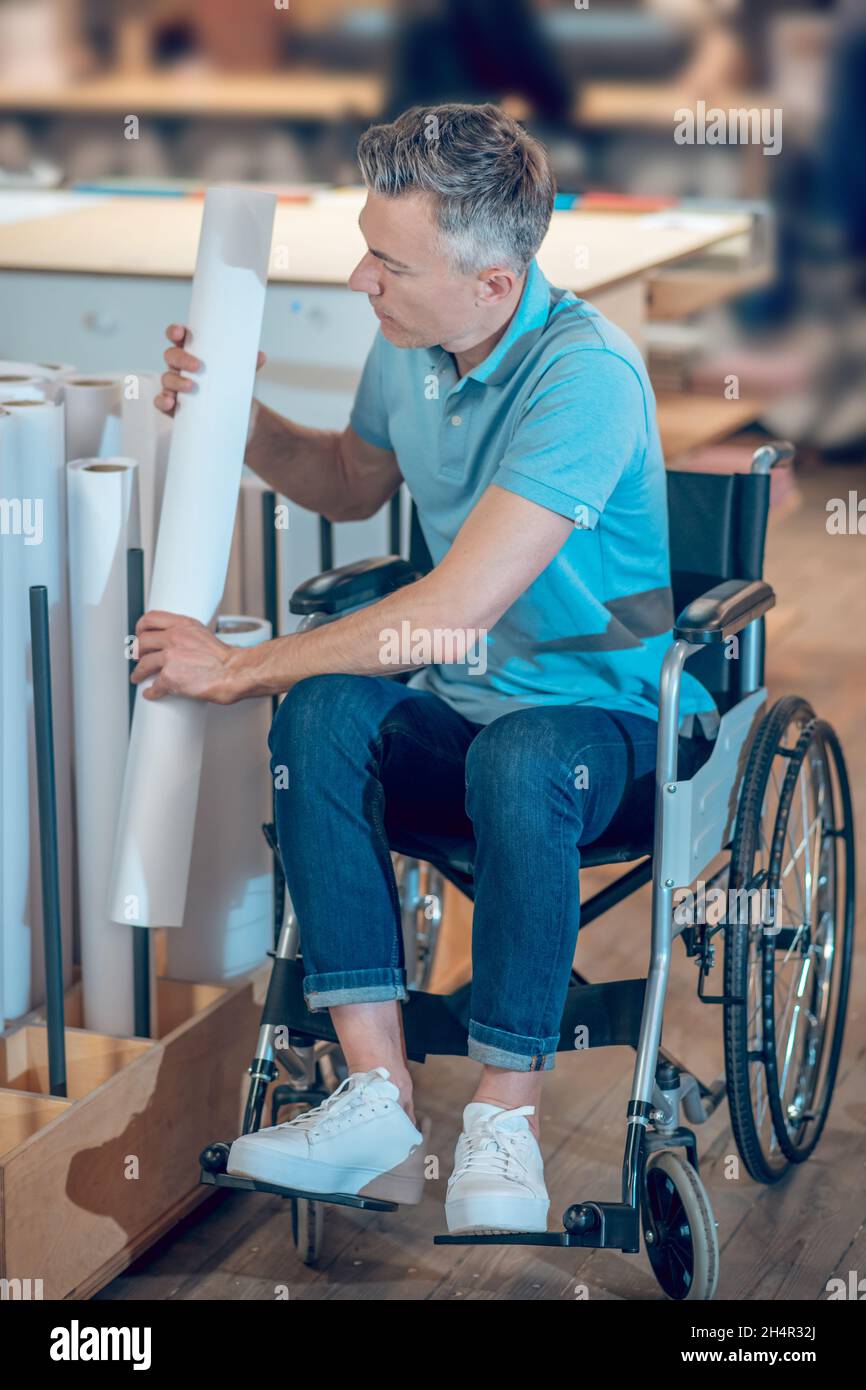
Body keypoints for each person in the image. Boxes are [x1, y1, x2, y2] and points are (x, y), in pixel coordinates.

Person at [145, 103, 718, 1235]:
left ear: (494, 284)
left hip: (607, 726)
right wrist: (237, 420)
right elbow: (354, 480)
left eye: (387, 261)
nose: (362, 278)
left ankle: (503, 1125)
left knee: (515, 755)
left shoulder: (585, 375)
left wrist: (231, 666)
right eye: (367, 246)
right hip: (468, 715)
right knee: (319, 714)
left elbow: (451, 613)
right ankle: (376, 1102)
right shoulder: (414, 341)